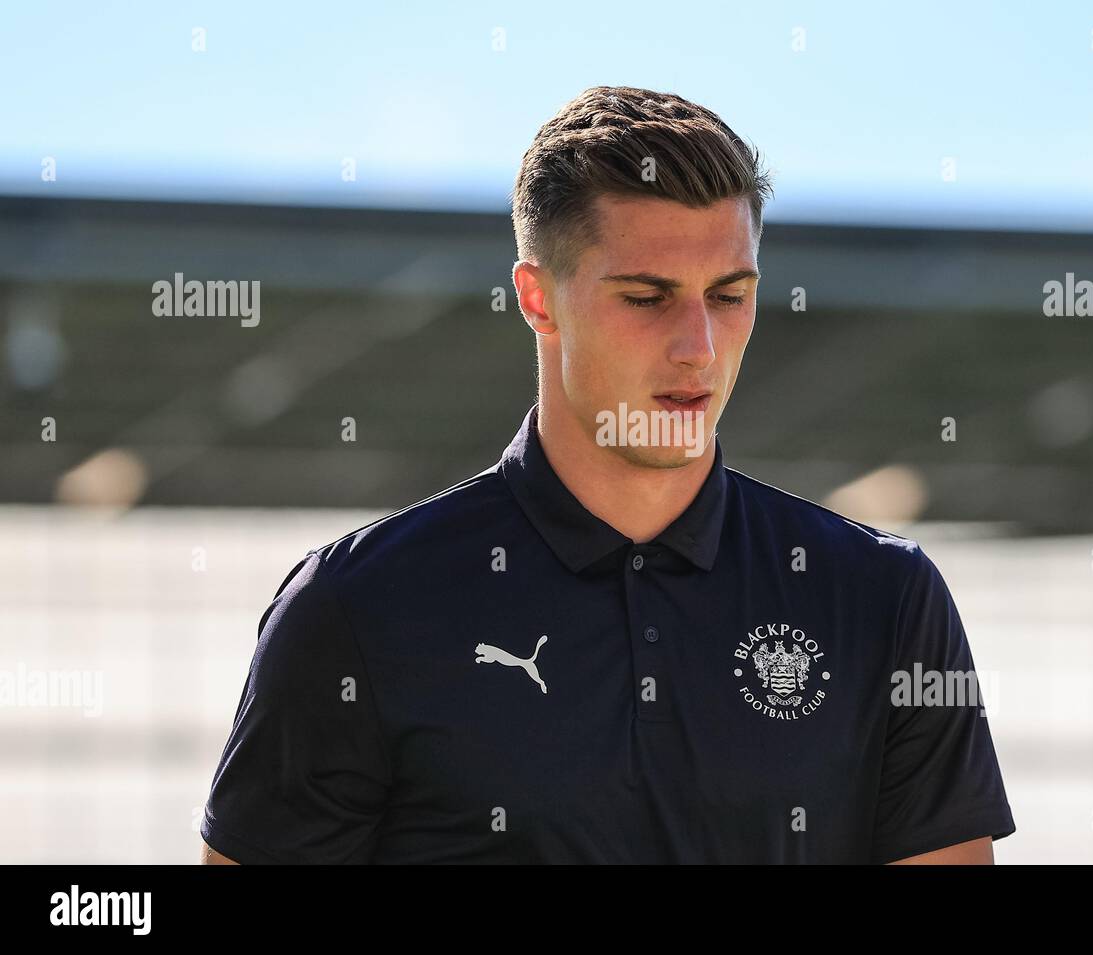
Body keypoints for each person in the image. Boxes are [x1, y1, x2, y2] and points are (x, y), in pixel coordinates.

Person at [200, 85, 1015, 864]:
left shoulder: (883, 598)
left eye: (729, 294)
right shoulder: (354, 610)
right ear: (537, 298)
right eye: (647, 296)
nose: (698, 344)